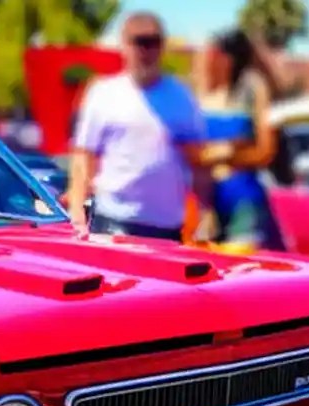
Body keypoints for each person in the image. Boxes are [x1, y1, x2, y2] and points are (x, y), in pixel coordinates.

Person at [66, 11, 214, 242]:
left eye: (153, 42)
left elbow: (198, 161)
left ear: (162, 46)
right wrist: (77, 211)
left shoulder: (182, 97)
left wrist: (205, 212)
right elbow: (84, 155)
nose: (146, 50)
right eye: (139, 42)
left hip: (168, 227)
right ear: (124, 45)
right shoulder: (103, 93)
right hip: (113, 222)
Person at [194, 29, 288, 252]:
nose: (206, 60)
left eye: (214, 55)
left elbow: (266, 151)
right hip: (206, 207)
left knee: (242, 273)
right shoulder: (200, 94)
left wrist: (228, 154)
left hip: (242, 200)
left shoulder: (253, 87)